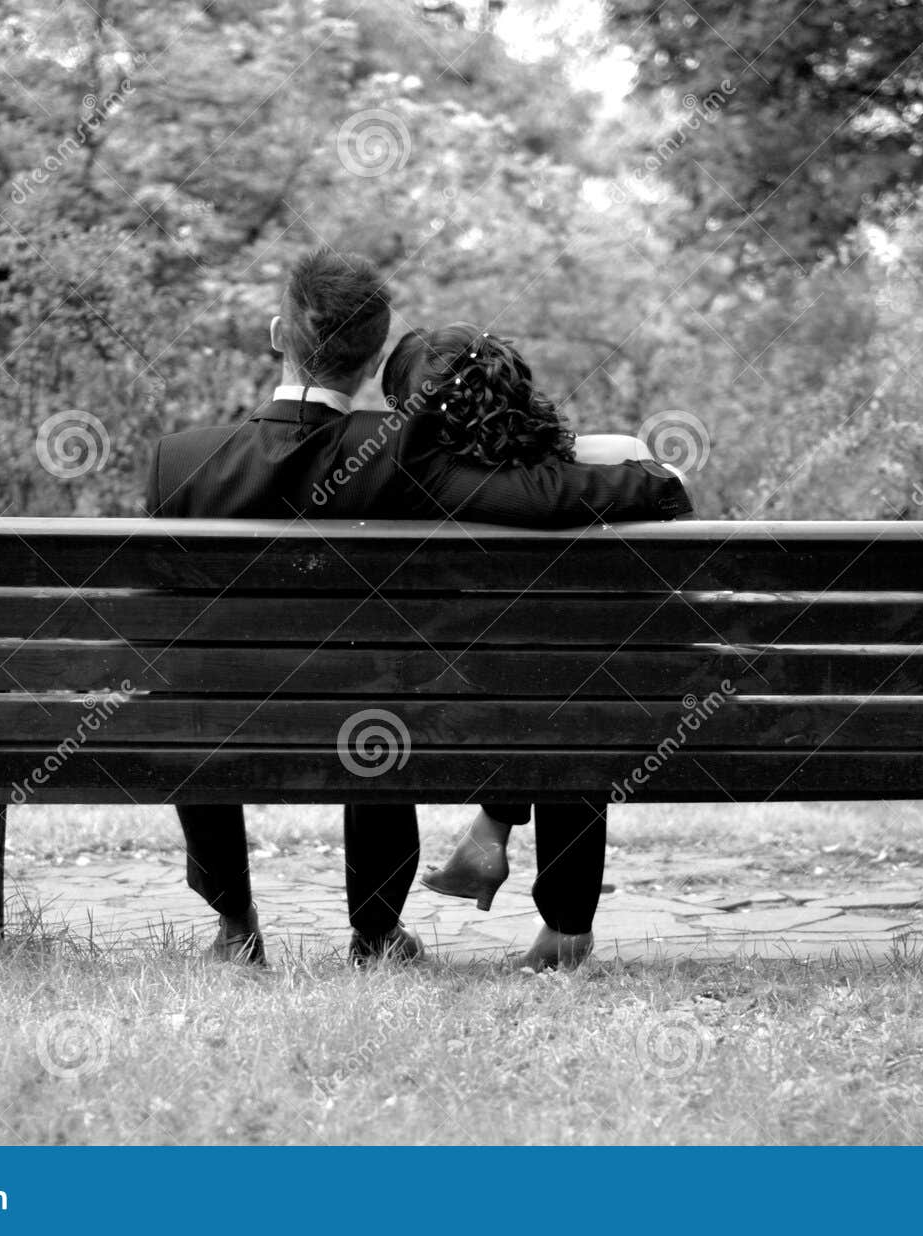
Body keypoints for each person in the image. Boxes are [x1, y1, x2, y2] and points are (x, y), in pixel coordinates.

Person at [144, 248, 692, 970]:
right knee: (373, 690)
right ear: (375, 360)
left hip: (219, 720)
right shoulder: (400, 452)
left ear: (281, 334)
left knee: (190, 692)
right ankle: (374, 934)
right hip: (374, 725)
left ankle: (235, 921)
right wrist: (653, 479)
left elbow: (157, 633)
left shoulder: (176, 462)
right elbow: (541, 493)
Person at [378, 324, 670, 944]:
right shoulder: (576, 485)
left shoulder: (404, 480)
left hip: (421, 707)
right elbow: (668, 481)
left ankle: (488, 839)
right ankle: (563, 920)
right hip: (606, 698)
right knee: (571, 666)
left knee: (548, 666)